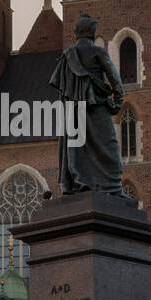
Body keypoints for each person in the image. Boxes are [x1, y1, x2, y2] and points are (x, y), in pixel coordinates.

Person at [48, 13, 129, 196]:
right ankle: (114, 187)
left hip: (73, 111)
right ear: (92, 33)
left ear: (77, 34)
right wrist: (116, 103)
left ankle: (78, 183)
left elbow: (61, 89)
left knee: (77, 149)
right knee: (109, 146)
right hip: (96, 107)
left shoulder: (67, 56)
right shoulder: (98, 52)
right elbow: (115, 80)